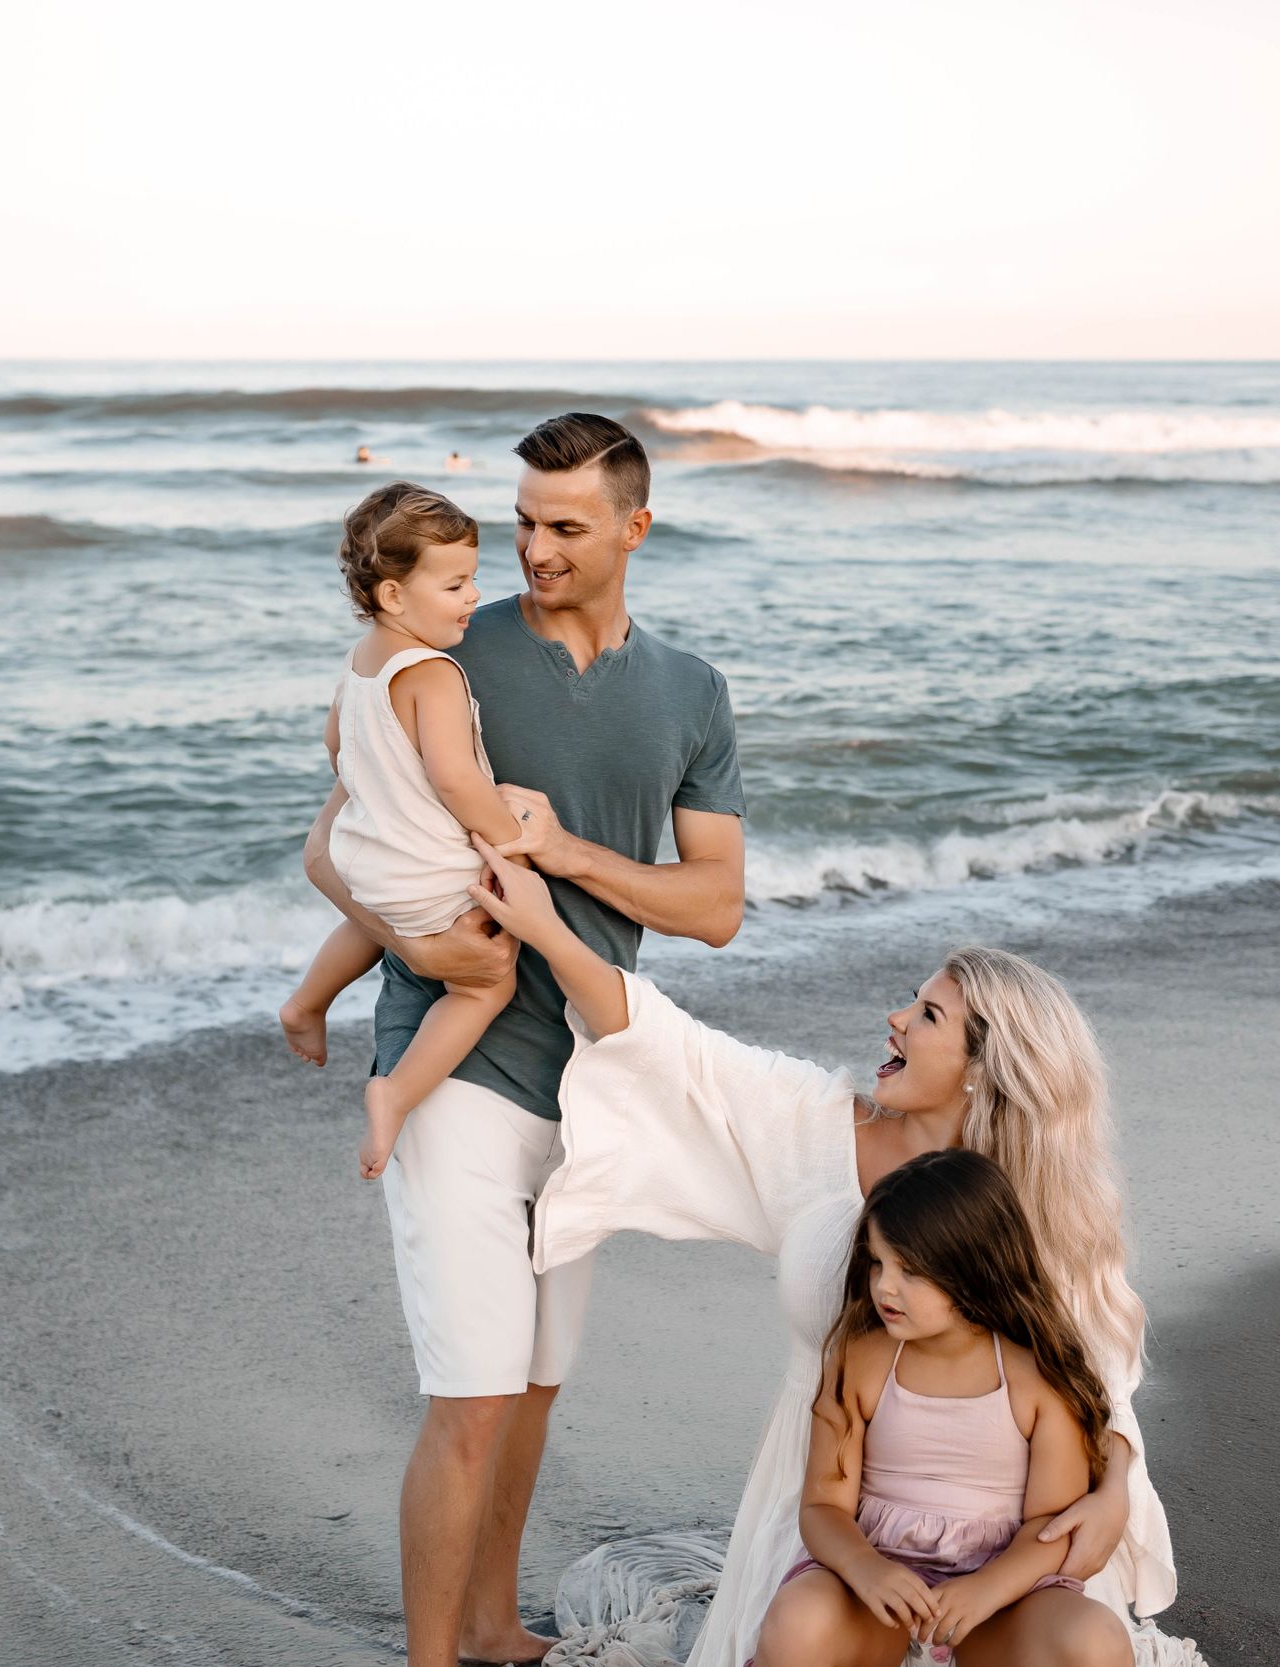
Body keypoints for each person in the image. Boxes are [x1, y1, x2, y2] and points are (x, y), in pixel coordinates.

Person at [459, 838, 1191, 1667]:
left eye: (928, 1015)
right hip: (828, 1507)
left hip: (1014, 1528)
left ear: (984, 1069)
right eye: (909, 1001)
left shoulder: (1038, 1201)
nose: (896, 1018)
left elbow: (1098, 1365)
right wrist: (550, 930)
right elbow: (676, 1052)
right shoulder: (814, 1129)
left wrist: (1114, 1486)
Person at [302, 413, 748, 1667]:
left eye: (564, 525)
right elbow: (327, 840)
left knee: (539, 1383)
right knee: (472, 1395)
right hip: (454, 1067)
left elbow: (713, 904)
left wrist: (566, 853)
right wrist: (424, 949)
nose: (533, 550)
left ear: (633, 527)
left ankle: (493, 1623)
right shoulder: (448, 647)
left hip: (594, 1079)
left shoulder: (691, 692)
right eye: (522, 522)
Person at [759, 1149, 1111, 1667]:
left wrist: (985, 1591)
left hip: (997, 1602)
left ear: (973, 1268)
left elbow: (1050, 1528)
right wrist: (865, 1568)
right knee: (797, 1622)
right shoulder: (861, 1360)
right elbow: (823, 1507)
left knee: (1095, 1641)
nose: (884, 1286)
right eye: (878, 1262)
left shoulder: (1040, 1381)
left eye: (911, 1271)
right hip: (877, 1593)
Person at [280, 482, 522, 1180]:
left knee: (370, 917)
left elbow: (337, 746)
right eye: (455, 583)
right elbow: (455, 779)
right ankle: (397, 1089)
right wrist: (506, 835)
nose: (474, 595)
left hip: (366, 854)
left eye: (473, 578)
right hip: (427, 874)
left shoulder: (362, 662)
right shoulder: (433, 672)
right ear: (394, 595)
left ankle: (307, 1002)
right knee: (485, 986)